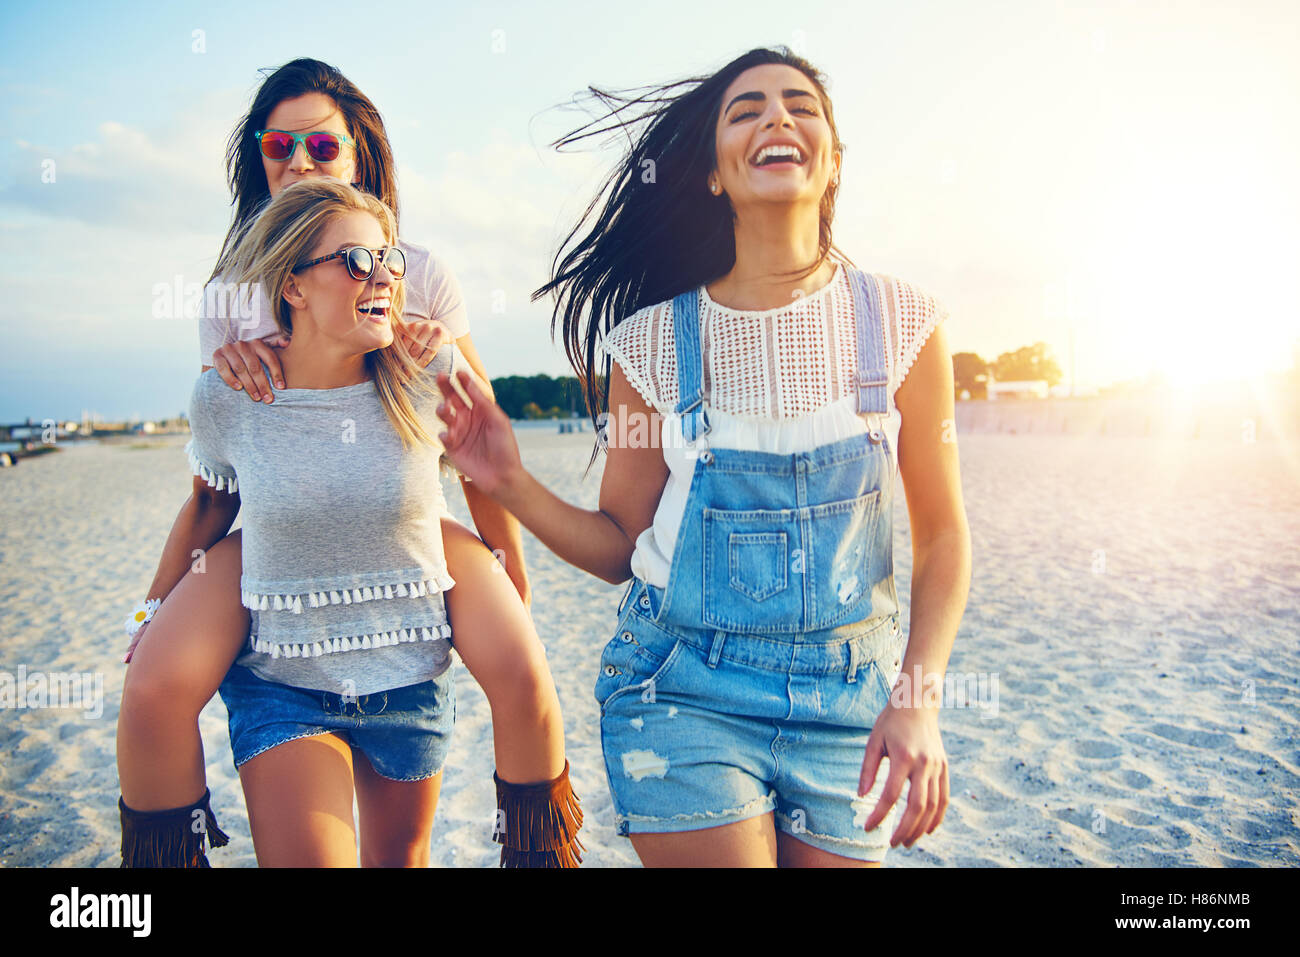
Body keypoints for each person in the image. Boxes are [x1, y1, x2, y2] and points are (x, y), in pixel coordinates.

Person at [434, 47, 971, 867]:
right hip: (682, 692)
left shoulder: (903, 324)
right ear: (716, 173)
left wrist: (919, 697)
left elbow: (942, 538)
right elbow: (621, 545)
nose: (777, 117)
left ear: (832, 161)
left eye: (800, 105)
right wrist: (506, 479)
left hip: (850, 700)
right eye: (746, 109)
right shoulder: (652, 344)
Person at [116, 59, 581, 867]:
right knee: (156, 679)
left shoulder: (417, 269)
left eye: (321, 147)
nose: (297, 162)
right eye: (278, 145)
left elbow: (477, 440)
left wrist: (505, 558)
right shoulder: (231, 294)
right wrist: (153, 606)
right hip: (276, 535)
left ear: (359, 153)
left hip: (395, 522)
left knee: (508, 677)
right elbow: (220, 480)